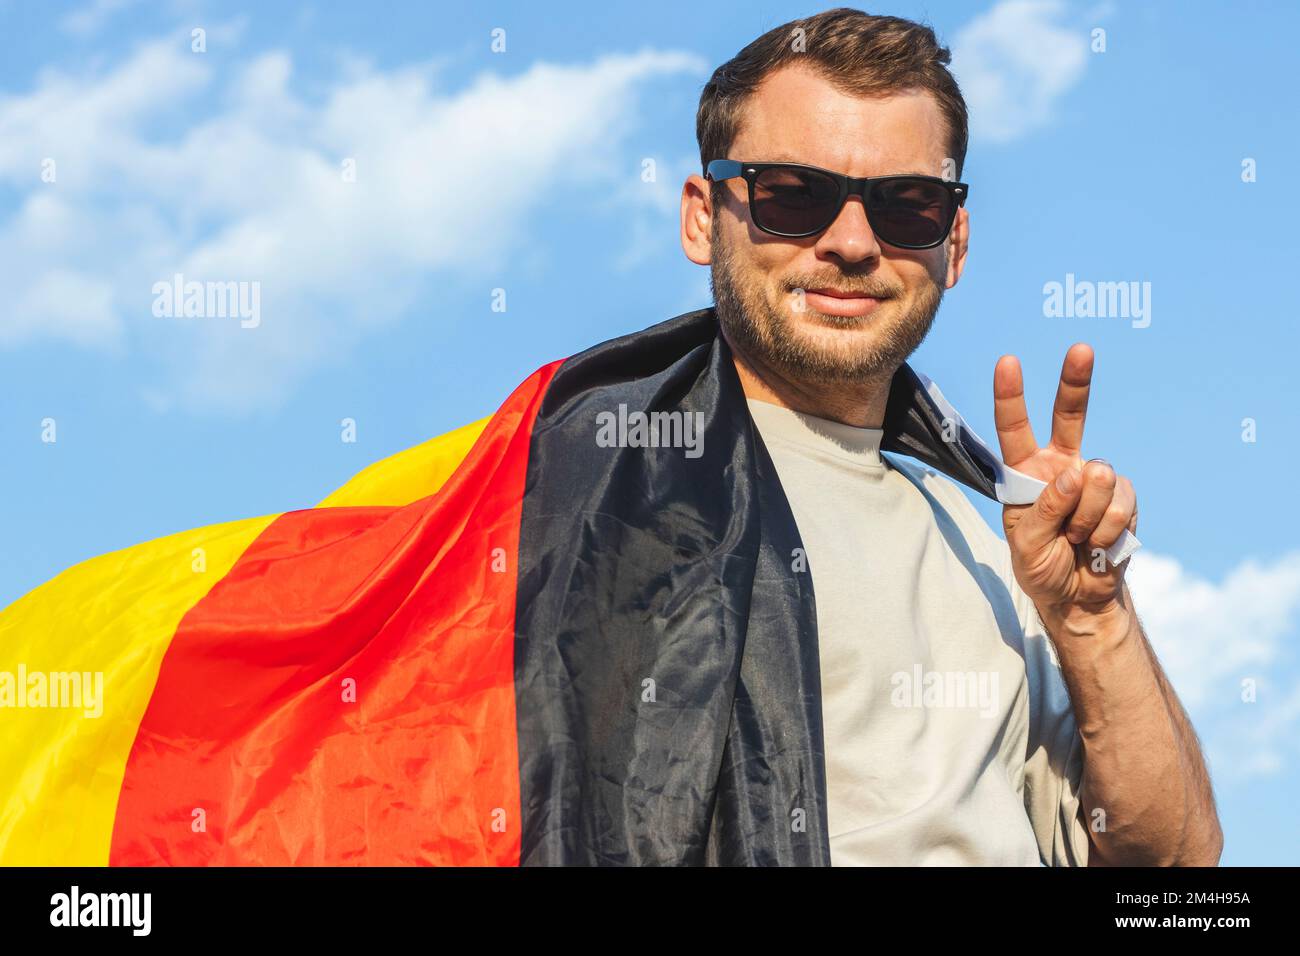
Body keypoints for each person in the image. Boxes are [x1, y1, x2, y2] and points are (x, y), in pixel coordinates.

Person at [666, 7, 1222, 865]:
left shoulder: (995, 546)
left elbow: (1175, 871)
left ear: (953, 243)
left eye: (906, 206)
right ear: (705, 217)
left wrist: (1091, 617)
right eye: (791, 195)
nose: (851, 243)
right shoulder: (602, 499)